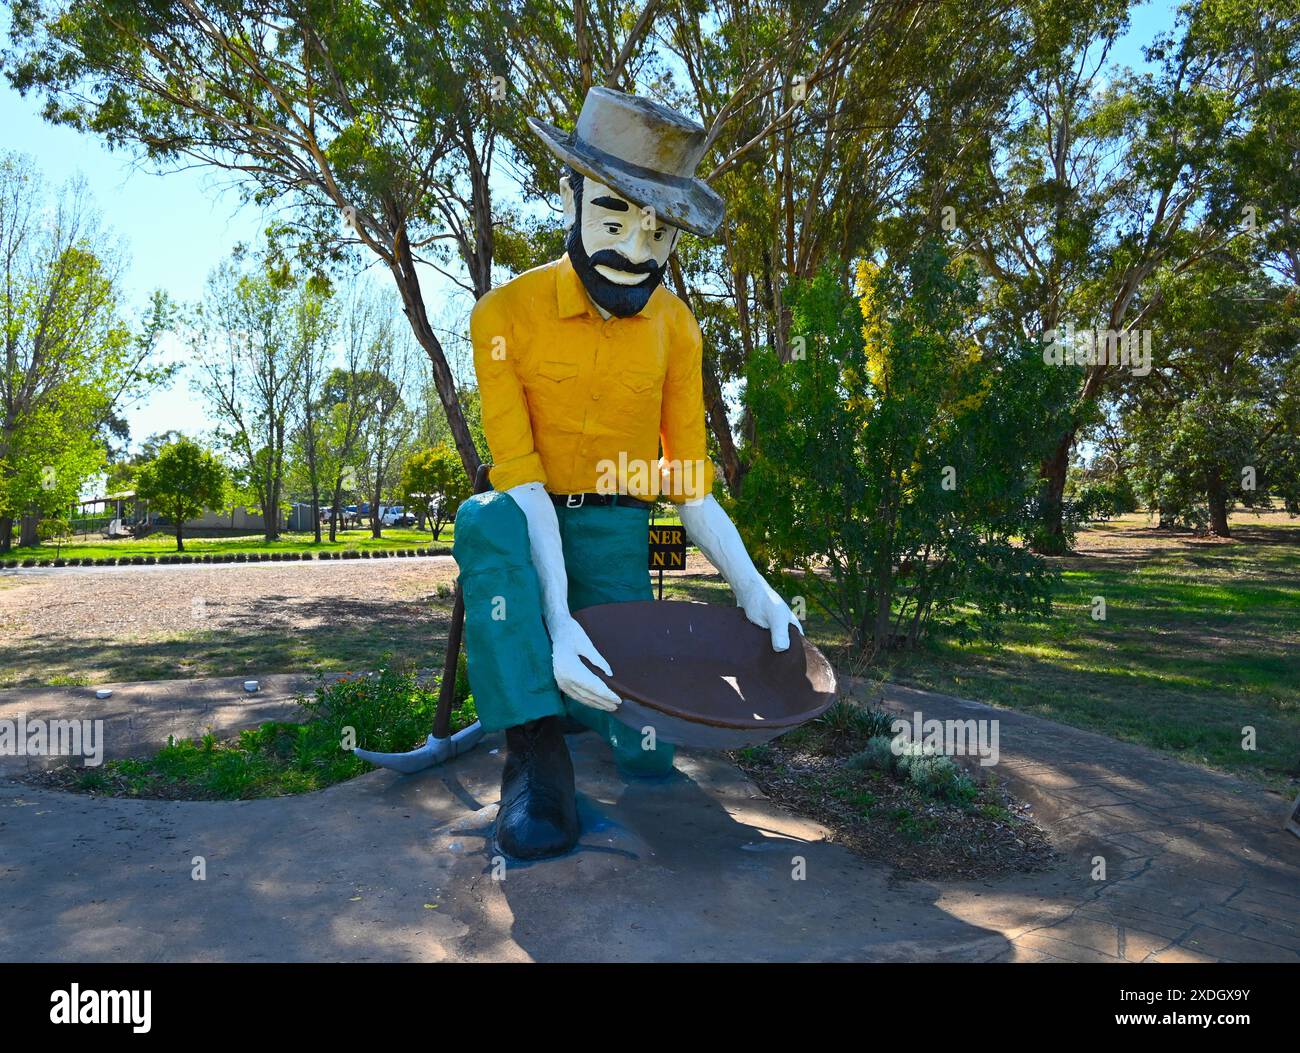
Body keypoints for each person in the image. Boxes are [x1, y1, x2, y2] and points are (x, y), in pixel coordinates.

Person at [454, 87, 801, 860]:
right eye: (614, 221)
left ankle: (579, 700)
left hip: (623, 526)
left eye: (659, 233)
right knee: (485, 521)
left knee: (647, 752)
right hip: (531, 514)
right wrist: (558, 615)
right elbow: (521, 480)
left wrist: (754, 588)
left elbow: (688, 483)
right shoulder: (503, 318)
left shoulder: (677, 327)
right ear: (571, 198)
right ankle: (534, 749)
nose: (636, 253)